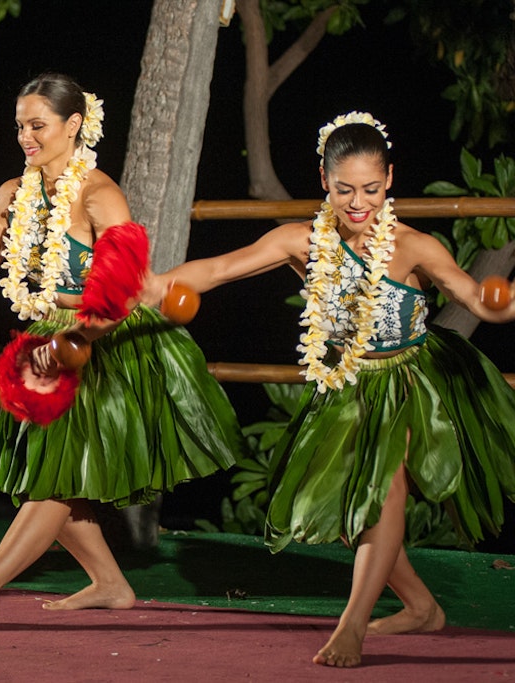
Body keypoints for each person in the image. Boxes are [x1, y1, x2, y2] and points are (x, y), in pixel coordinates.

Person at [148, 111, 515, 667]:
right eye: (344, 189)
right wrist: (154, 284)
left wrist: (498, 302)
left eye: (370, 188)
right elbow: (221, 268)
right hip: (348, 385)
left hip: (412, 382)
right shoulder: (303, 241)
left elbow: (470, 294)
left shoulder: (413, 246)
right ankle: (420, 607)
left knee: (383, 495)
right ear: (325, 182)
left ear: (389, 178)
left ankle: (352, 626)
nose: (358, 202)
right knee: (348, 514)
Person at [0, 72, 244, 632]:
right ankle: (111, 583)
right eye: (20, 124)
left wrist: (75, 342)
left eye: (38, 125)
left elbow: (121, 294)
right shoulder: (12, 194)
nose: (25, 136)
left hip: (103, 343)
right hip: (46, 341)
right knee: (48, 474)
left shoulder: (100, 194)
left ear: (73, 125)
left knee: (53, 478)